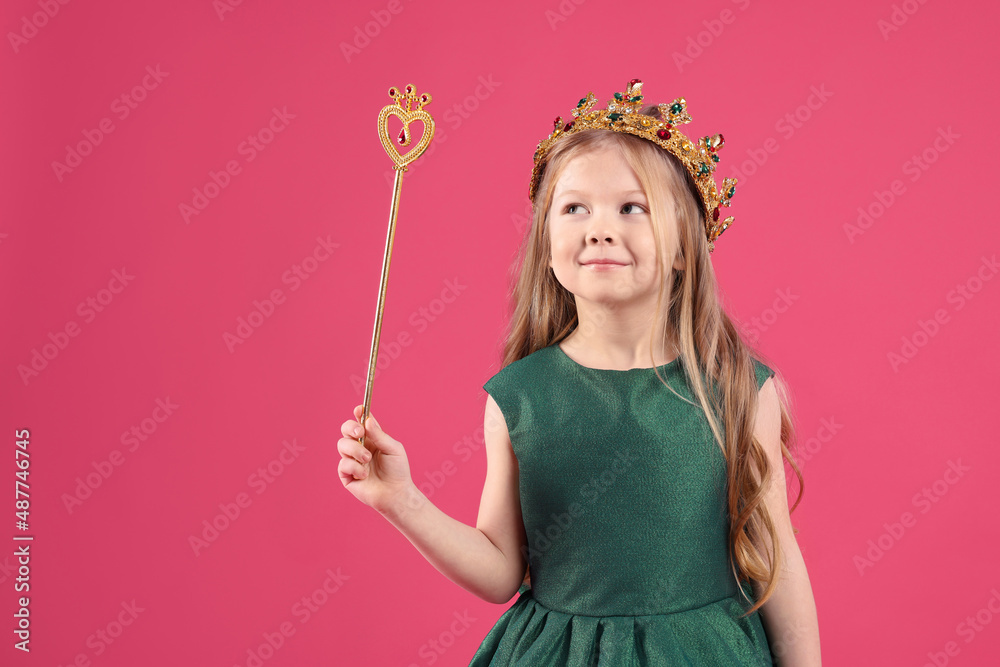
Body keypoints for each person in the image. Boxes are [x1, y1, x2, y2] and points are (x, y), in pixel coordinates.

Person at [338, 79, 821, 665]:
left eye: (631, 207)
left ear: (683, 248)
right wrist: (400, 499)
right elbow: (499, 570)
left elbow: (778, 562)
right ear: (546, 243)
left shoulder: (739, 389)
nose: (599, 227)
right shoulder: (520, 399)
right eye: (573, 208)